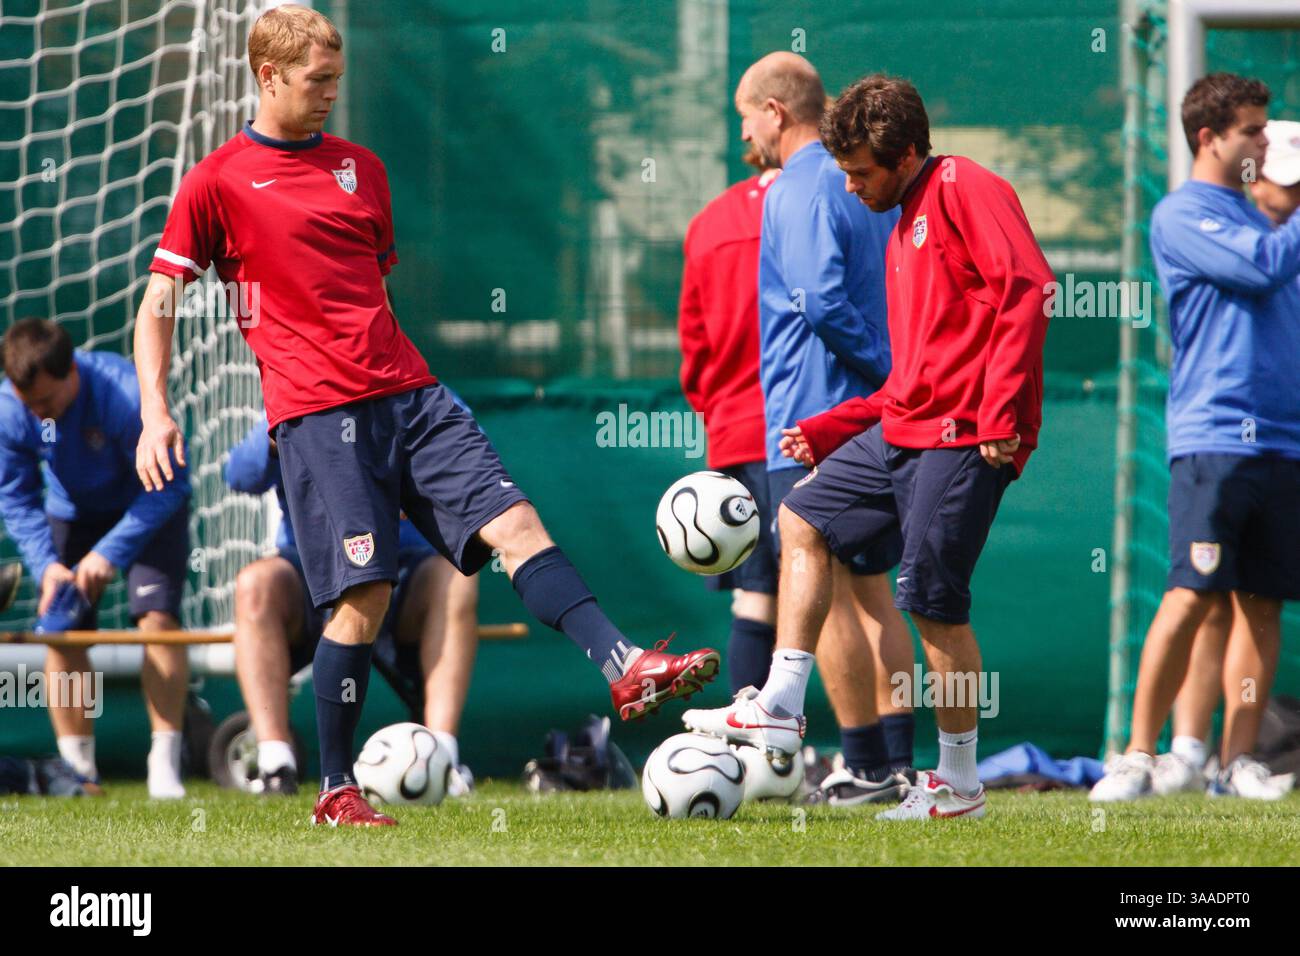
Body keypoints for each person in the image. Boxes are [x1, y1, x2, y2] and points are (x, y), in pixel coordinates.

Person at [133, 4, 719, 827]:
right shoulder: (218, 181)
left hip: (413, 395)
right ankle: (335, 788)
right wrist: (156, 409)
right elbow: (157, 304)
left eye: (339, 77)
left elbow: (368, 286)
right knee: (362, 595)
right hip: (319, 415)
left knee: (518, 524)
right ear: (268, 77)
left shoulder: (362, 169)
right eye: (317, 80)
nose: (333, 92)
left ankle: (625, 666)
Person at [685, 74, 1053, 821]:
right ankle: (783, 703)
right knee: (803, 517)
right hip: (902, 429)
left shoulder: (965, 186)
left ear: (905, 152)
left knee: (933, 606)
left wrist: (1004, 409)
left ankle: (957, 786)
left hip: (965, 436)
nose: (850, 188)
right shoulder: (902, 217)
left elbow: (1027, 288)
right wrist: (832, 427)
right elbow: (913, 372)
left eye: (859, 173)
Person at [1092, 95, 1300, 803]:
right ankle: (1136, 755)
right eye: (1252, 132)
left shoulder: (1264, 214)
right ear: (1210, 137)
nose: (1263, 146)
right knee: (1188, 593)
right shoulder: (1183, 215)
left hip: (1283, 442)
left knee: (1262, 603)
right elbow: (1265, 268)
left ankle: (1235, 762)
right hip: (1214, 438)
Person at [726, 54, 916, 804]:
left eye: (746, 116)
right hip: (875, 414)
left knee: (834, 594)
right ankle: (894, 760)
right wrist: (896, 384)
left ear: (775, 110)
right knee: (875, 594)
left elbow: (819, 300)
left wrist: (882, 377)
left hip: (818, 418)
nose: (744, 132)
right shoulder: (867, 181)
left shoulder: (799, 184)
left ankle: (865, 762)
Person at [225, 415, 479, 796]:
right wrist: (275, 438)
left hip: (403, 570)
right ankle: (276, 763)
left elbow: (470, 471)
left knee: (457, 580)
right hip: (310, 568)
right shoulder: (299, 402)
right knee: (254, 584)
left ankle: (442, 761)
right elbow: (239, 475)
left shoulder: (422, 396)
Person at [0, 319, 192, 798]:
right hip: (72, 512)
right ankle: (77, 769)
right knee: (62, 630)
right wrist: (48, 565)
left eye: (45, 402)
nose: (37, 412)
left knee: (158, 620)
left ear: (73, 374)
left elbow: (173, 483)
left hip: (149, 504)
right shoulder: (11, 410)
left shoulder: (125, 396)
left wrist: (108, 554)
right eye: (29, 404)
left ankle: (164, 766)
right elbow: (16, 497)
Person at [679, 143, 781, 698]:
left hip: (735, 432)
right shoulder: (826, 206)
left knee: (755, 593)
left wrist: (717, 412)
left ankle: (754, 746)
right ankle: (868, 757)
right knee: (834, 596)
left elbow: (693, 348)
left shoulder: (708, 223)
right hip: (810, 432)